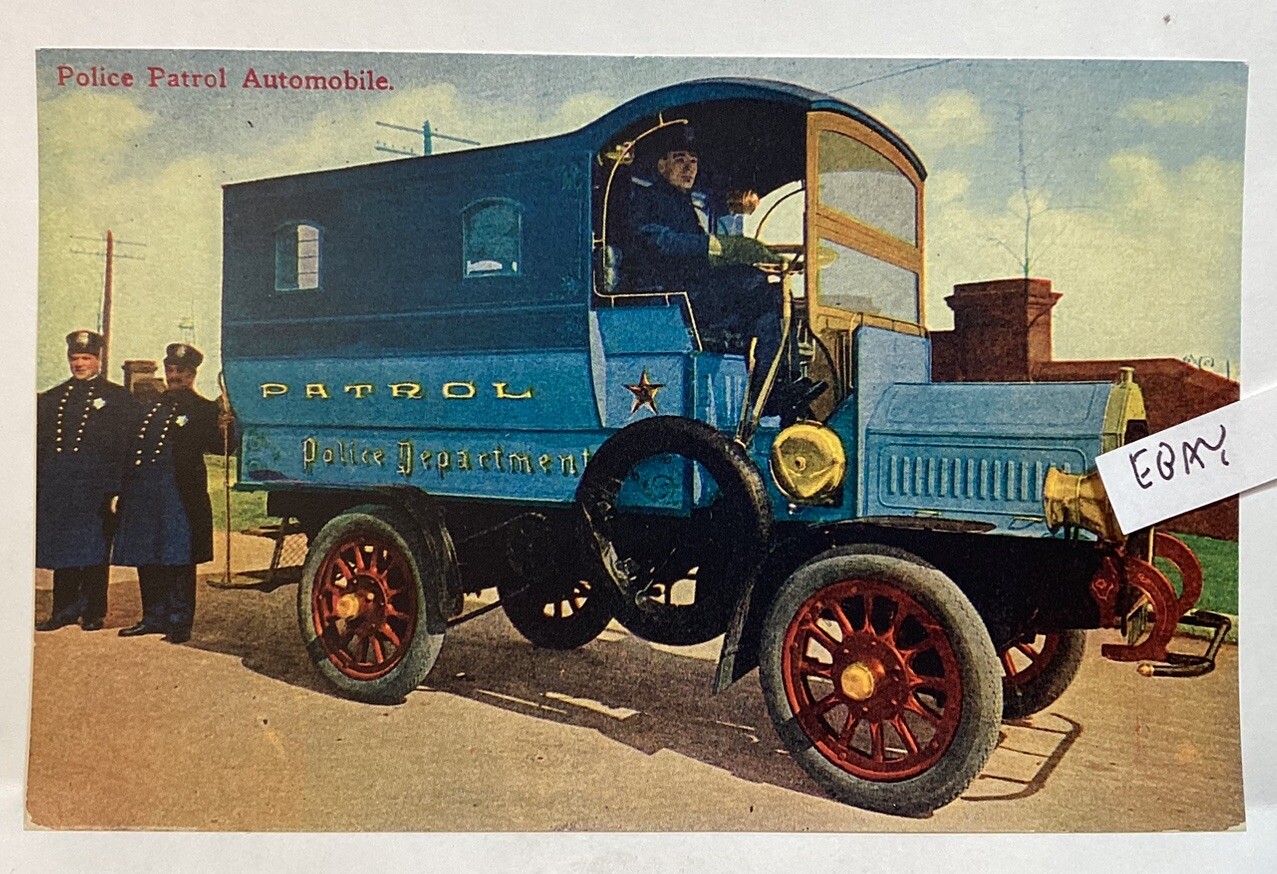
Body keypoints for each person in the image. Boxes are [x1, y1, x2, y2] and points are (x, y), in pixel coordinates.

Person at [623, 124, 783, 392]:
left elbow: (700, 254)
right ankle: (768, 390)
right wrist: (719, 246)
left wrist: (741, 257)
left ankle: (774, 386)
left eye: (693, 161)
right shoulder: (647, 199)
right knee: (755, 284)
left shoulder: (682, 201)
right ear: (662, 166)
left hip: (693, 293)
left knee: (770, 300)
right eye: (679, 160)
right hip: (669, 296)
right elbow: (659, 241)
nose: (688, 168)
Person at [114, 343, 224, 643]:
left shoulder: (203, 409)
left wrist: (227, 427)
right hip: (146, 492)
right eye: (170, 370)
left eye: (180, 371)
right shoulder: (152, 406)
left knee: (178, 557)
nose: (174, 376)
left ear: (192, 374)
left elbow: (219, 446)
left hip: (179, 493)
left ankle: (179, 622)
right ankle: (153, 617)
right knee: (147, 554)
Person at [35, 330, 137, 632]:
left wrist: (116, 489)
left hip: (96, 488)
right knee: (63, 547)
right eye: (75, 358)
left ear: (99, 359)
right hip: (60, 486)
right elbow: (41, 447)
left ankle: (93, 610)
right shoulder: (53, 398)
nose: (79, 364)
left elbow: (124, 447)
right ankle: (63, 610)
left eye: (86, 358)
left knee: (94, 549)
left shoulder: (118, 398)